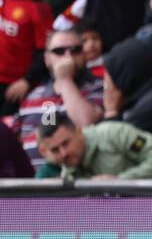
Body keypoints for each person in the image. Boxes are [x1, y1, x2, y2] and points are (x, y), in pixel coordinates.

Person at [13, 26, 104, 165]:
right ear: (47, 59)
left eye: (75, 50)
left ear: (83, 55)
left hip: (74, 181)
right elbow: (14, 140)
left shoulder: (99, 87)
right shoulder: (33, 96)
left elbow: (85, 124)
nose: (68, 57)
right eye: (59, 51)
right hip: (31, 181)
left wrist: (65, 79)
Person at [38, 113, 152, 180]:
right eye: (55, 150)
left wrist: (119, 182)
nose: (64, 153)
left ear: (79, 132)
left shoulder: (113, 133)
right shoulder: (69, 168)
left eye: (66, 143)